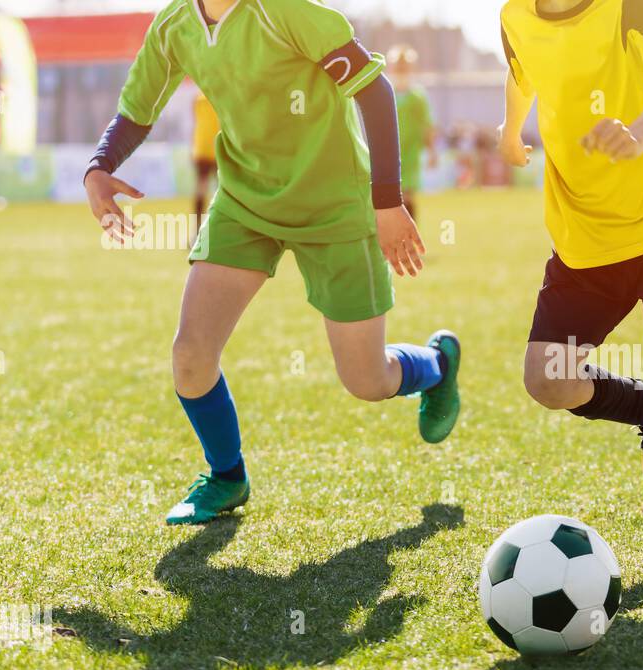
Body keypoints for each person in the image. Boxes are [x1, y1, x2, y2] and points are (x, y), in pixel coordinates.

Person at [83, 0, 461, 525]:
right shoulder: (174, 26)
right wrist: (99, 166)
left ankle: (438, 365)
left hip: (334, 206)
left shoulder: (287, 12)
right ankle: (226, 476)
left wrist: (387, 202)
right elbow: (137, 111)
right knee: (191, 357)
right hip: (246, 202)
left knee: (367, 381)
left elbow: (375, 91)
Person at [499, 0, 643, 571]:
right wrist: (509, 130)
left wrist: (639, 134)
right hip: (586, 242)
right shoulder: (513, 17)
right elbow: (521, 72)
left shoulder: (629, 7)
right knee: (548, 379)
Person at [387, 44, 436, 221]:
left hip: (410, 154)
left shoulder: (417, 96)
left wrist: (432, 151)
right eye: (397, 66)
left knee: (406, 195)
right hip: (389, 153)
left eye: (404, 66)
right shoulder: (386, 92)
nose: (401, 70)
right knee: (389, 198)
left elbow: (427, 125)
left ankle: (411, 238)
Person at [191, 88, 220, 232]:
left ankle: (196, 231)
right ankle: (218, 230)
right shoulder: (221, 97)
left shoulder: (198, 98)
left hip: (201, 149)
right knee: (222, 193)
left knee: (201, 190)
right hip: (217, 151)